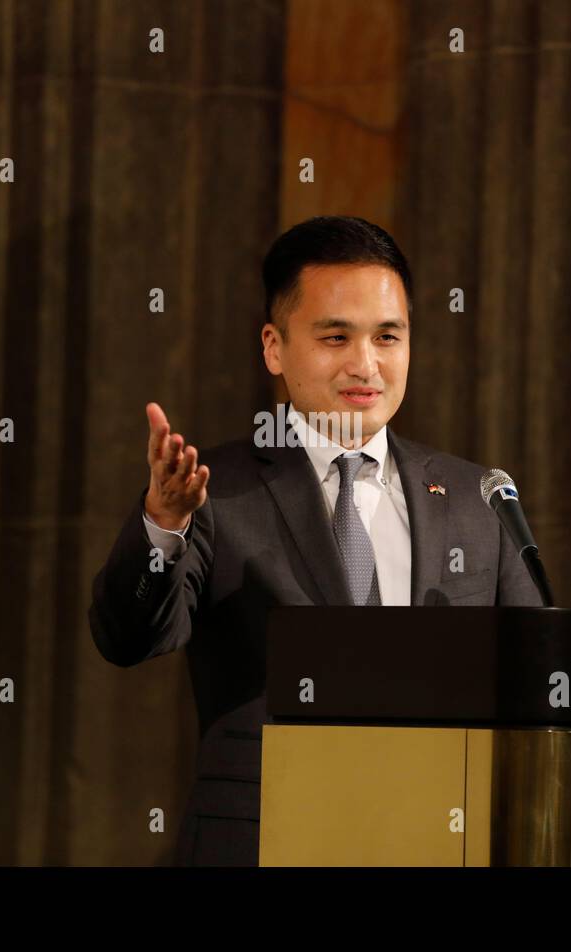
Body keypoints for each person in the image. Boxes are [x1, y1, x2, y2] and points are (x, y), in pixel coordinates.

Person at [88, 215, 544, 865]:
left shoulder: (476, 498)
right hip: (263, 841)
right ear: (275, 348)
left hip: (437, 838)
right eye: (336, 337)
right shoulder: (217, 493)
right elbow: (126, 638)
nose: (366, 365)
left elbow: (534, 673)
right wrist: (164, 522)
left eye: (389, 336)